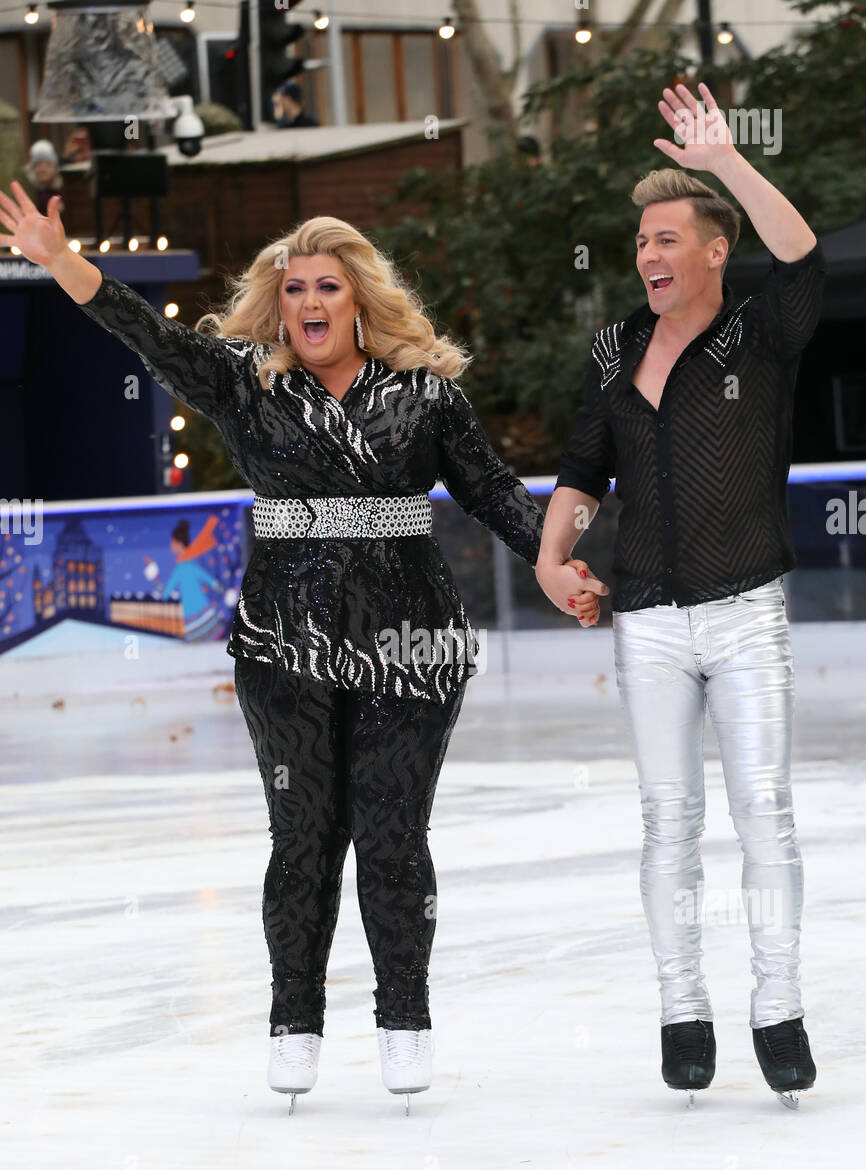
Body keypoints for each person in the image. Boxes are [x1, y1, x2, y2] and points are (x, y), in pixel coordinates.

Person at [0, 181, 592, 1106]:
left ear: (359, 298)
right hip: (285, 644)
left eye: (326, 287)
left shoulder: (425, 394)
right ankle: (294, 1021)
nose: (308, 303)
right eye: (293, 288)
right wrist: (60, 260)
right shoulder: (244, 382)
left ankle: (404, 1017)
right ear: (278, 302)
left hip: (410, 642)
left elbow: (489, 491)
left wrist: (552, 562)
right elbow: (147, 336)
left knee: (394, 836)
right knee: (302, 838)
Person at [536, 81, 825, 1108]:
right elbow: (579, 468)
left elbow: (802, 259)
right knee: (666, 821)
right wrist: (547, 553)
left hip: (745, 612)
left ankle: (778, 1006)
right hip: (647, 619)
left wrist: (727, 162)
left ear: (711, 245)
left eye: (667, 236)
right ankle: (681, 1008)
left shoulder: (759, 335)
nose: (648, 255)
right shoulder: (613, 349)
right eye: (638, 243)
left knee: (764, 817)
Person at [25, 140, 62, 216]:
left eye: (47, 164)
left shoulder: (64, 188)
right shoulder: (31, 192)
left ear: (54, 166)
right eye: (38, 165)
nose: (42, 169)